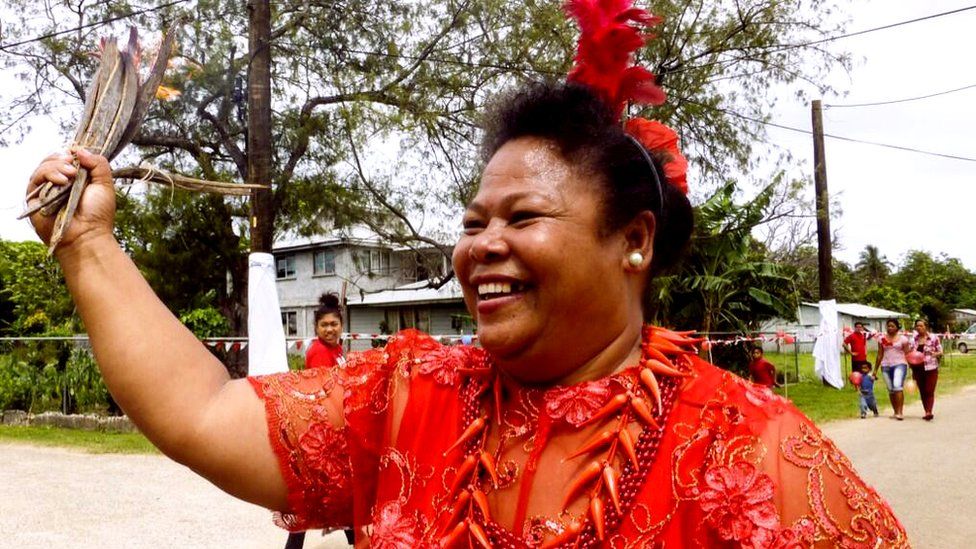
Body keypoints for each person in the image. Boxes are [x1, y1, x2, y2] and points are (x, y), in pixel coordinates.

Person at [22, 4, 906, 547]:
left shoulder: (750, 449)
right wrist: (89, 246)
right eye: (473, 220)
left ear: (634, 242)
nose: (483, 244)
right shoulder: (408, 397)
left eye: (523, 218)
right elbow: (204, 413)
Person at [876, 318, 911, 420]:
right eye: (888, 326)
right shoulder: (881, 339)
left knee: (897, 386)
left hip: (900, 364)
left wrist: (911, 367)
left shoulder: (903, 339)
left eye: (892, 326)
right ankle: (895, 411)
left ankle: (900, 412)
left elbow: (907, 353)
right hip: (885, 365)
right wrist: (875, 371)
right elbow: (879, 354)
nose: (890, 328)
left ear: (897, 328)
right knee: (891, 389)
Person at [911, 319, 943, 421]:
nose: (919, 328)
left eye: (921, 326)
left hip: (931, 367)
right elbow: (910, 353)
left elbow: (940, 351)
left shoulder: (933, 338)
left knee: (929, 390)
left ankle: (929, 411)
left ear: (926, 327)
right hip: (917, 368)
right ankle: (926, 411)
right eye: (917, 326)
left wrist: (935, 354)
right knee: (923, 391)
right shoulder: (913, 339)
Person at [305, 293, 345, 370]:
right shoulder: (320, 352)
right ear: (316, 328)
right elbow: (324, 382)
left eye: (334, 324)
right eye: (324, 325)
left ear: (341, 326)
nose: (329, 329)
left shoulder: (337, 348)